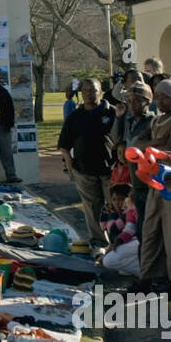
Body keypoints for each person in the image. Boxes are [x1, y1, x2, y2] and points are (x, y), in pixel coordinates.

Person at [139, 79, 171, 293]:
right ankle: (148, 275)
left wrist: (152, 147)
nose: (160, 100)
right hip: (154, 182)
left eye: (165, 96)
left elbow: (169, 149)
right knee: (150, 230)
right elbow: (137, 144)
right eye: (157, 96)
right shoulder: (156, 121)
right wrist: (153, 146)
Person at [57, 79, 117, 256]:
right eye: (86, 91)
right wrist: (70, 168)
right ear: (81, 93)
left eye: (94, 90)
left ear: (100, 91)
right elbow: (64, 146)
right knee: (92, 209)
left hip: (110, 171)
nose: (90, 94)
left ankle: (118, 243)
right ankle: (98, 242)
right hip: (84, 171)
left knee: (115, 207)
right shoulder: (75, 116)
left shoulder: (112, 113)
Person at [111, 80, 155, 276]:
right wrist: (120, 118)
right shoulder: (129, 120)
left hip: (149, 185)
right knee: (138, 232)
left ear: (147, 102)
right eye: (129, 101)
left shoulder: (152, 121)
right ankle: (142, 270)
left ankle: (149, 273)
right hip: (135, 187)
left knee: (148, 233)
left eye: (137, 101)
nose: (132, 105)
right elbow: (115, 138)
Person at [100, 183, 141, 276]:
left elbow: (112, 228)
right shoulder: (130, 208)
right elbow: (129, 230)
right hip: (136, 241)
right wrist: (117, 242)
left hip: (148, 241)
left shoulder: (130, 209)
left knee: (109, 260)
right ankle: (143, 271)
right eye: (114, 200)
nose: (117, 203)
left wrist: (112, 213)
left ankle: (149, 274)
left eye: (122, 199)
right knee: (108, 261)